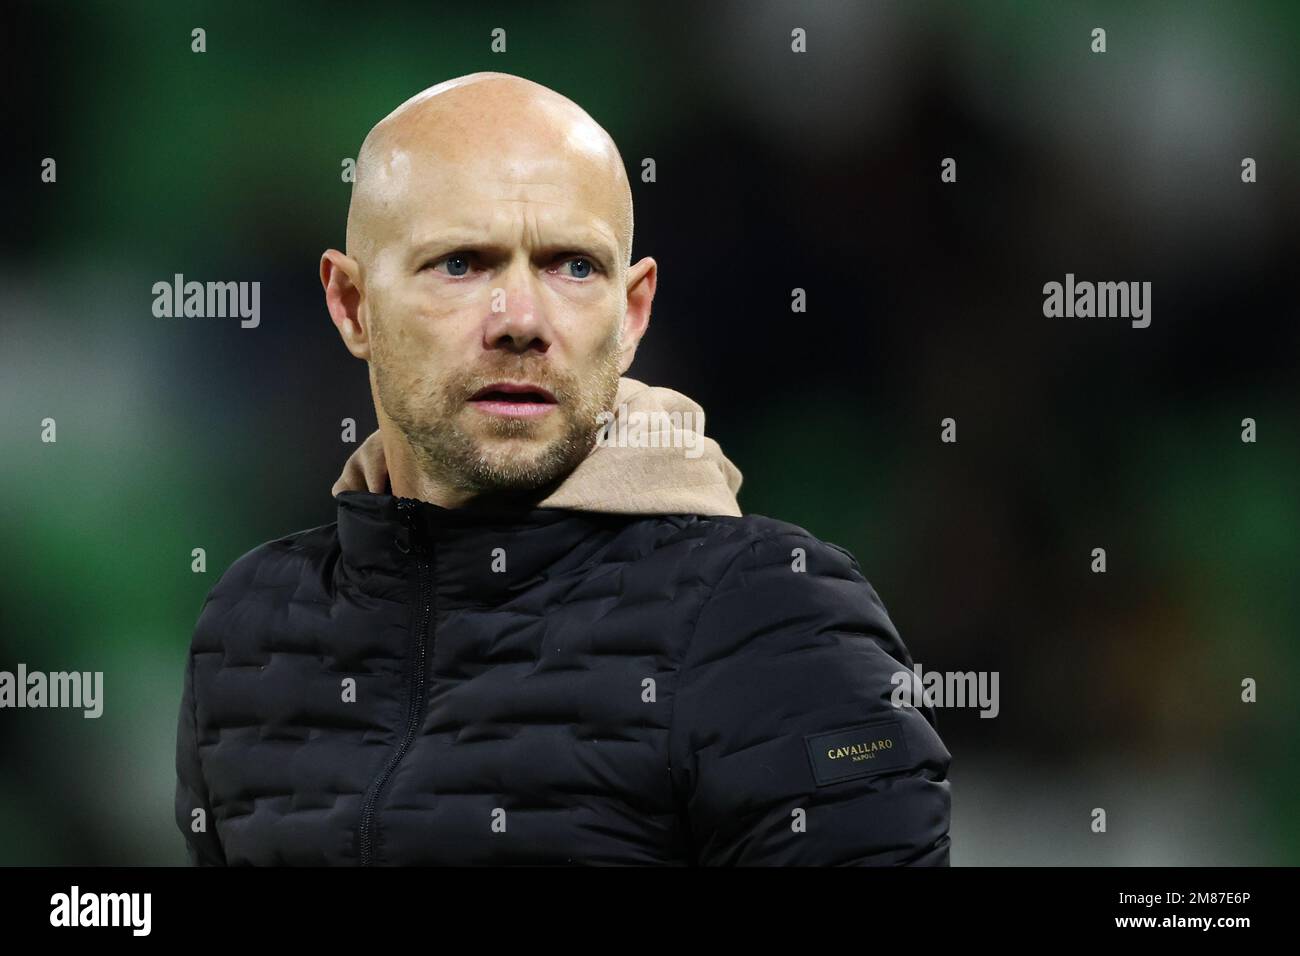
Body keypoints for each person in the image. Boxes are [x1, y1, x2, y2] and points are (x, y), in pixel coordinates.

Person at [174, 71, 951, 865]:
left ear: (633, 312)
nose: (522, 321)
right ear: (351, 303)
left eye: (573, 266)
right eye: (463, 263)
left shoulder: (776, 620)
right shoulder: (251, 634)